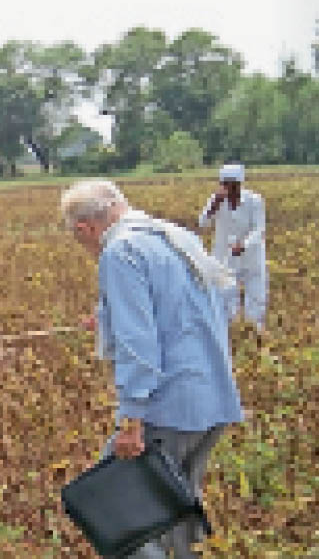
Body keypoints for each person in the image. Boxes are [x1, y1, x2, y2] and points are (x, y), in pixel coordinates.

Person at [60, 179, 244, 559]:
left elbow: (138, 346)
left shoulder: (121, 251)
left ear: (85, 228)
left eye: (81, 242)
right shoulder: (176, 236)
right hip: (212, 398)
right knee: (177, 506)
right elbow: (220, 299)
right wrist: (110, 316)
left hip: (167, 406)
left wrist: (132, 420)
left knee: (117, 511)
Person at [198, 163, 267, 330]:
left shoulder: (254, 200)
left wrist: (244, 245)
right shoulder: (216, 200)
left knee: (256, 299)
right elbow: (203, 223)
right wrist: (214, 205)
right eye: (225, 184)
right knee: (226, 298)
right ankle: (231, 335)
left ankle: (255, 333)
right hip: (225, 258)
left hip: (251, 258)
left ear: (240, 184)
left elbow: (259, 229)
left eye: (233, 184)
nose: (229, 189)